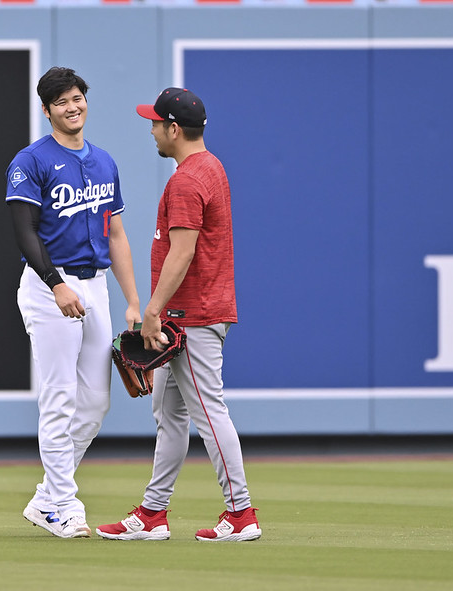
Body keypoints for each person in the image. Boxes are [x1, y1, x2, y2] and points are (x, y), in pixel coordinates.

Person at [96, 88, 260, 542]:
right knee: (169, 416)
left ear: (173, 128)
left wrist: (153, 310)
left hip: (192, 316)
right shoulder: (211, 167)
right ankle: (153, 513)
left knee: (209, 412)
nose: (150, 130)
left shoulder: (187, 179)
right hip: (189, 313)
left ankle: (241, 512)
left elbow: (183, 251)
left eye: (154, 123)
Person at [6, 67, 140, 539]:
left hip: (96, 285)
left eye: (78, 97)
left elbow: (117, 234)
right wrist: (55, 283)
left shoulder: (103, 161)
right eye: (61, 101)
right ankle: (63, 504)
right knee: (59, 397)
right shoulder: (30, 160)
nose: (72, 106)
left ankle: (46, 497)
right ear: (47, 110)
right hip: (50, 286)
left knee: (96, 403)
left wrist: (133, 301)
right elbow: (25, 232)